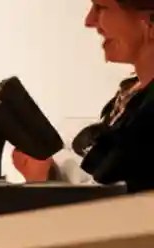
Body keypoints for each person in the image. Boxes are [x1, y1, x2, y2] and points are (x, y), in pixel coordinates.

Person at [13, 0, 154, 193]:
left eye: (102, 8)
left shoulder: (148, 116)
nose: (90, 21)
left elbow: (109, 205)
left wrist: (43, 180)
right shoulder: (128, 98)